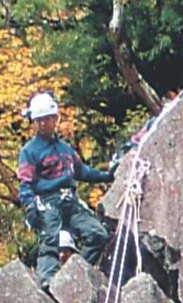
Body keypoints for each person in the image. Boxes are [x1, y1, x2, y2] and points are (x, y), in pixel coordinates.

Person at [17, 92, 113, 289]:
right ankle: (48, 283)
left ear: (55, 118)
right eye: (38, 120)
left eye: (45, 119)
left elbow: (81, 171)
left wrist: (106, 176)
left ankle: (76, 274)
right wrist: (29, 207)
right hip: (48, 204)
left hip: (70, 202)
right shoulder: (30, 151)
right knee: (50, 244)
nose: (42, 124)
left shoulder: (65, 149)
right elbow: (25, 183)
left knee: (98, 235)